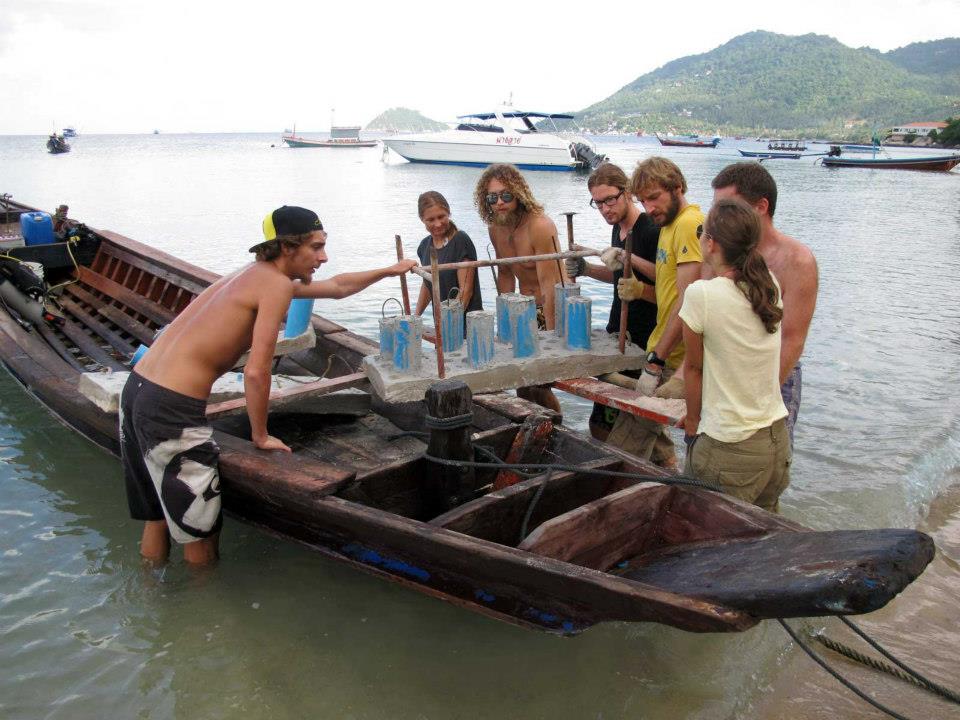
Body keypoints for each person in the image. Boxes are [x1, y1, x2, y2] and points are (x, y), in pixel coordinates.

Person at [120, 206, 417, 565]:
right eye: (316, 247)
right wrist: (260, 435)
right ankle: (201, 598)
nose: (324, 257)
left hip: (137, 390)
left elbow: (338, 287)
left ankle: (152, 585)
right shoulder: (275, 285)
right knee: (199, 532)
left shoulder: (251, 275)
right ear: (288, 247)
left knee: (157, 515)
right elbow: (257, 371)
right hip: (171, 409)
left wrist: (389, 270)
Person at [679, 199, 791, 512]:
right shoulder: (769, 285)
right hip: (775, 441)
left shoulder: (702, 294)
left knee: (700, 529)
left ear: (711, 243)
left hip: (730, 447)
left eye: (702, 233)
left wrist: (693, 422)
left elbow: (694, 368)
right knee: (762, 534)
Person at [606, 157, 703, 470]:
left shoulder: (688, 224)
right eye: (643, 200)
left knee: (620, 452)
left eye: (655, 197)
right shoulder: (668, 226)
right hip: (661, 349)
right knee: (659, 452)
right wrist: (634, 277)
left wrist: (657, 360)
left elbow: (689, 300)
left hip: (672, 359)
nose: (649, 208)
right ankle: (668, 484)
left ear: (678, 188)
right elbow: (668, 287)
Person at [711, 162, 818, 445]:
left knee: (767, 453)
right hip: (723, 368)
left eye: (728, 207)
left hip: (773, 372)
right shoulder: (717, 251)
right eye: (717, 207)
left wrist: (760, 398)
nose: (719, 217)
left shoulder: (797, 260)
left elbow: (792, 339)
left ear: (761, 207)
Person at [564, 163, 660, 441]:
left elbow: (670, 288)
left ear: (627, 192)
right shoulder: (618, 229)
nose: (605, 209)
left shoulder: (650, 230)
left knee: (624, 429)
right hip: (618, 335)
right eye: (598, 203)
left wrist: (638, 287)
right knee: (604, 425)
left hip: (643, 343)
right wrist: (587, 269)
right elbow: (619, 276)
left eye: (610, 200)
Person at [473, 163, 565, 414]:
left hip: (549, 308)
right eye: (492, 198)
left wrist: (553, 337)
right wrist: (505, 323)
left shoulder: (540, 226)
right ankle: (532, 424)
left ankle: (556, 424)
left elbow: (550, 285)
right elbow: (505, 274)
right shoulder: (495, 229)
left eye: (506, 195)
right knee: (521, 383)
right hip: (521, 312)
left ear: (519, 194)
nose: (499, 203)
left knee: (540, 384)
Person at [414, 191, 483, 318]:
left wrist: (449, 323)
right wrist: (415, 317)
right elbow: (428, 285)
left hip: (467, 323)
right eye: (431, 219)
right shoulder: (424, 246)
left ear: (448, 213)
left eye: (441, 217)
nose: (438, 224)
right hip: (441, 322)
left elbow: (466, 292)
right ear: (422, 219)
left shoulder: (460, 241)